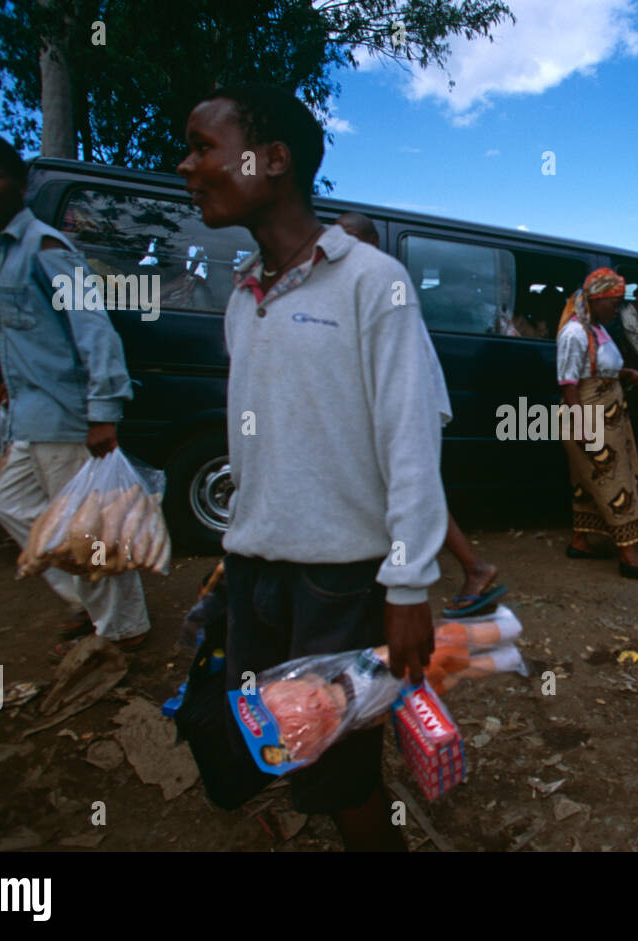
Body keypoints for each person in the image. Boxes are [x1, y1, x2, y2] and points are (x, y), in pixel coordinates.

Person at [178, 84, 448, 851]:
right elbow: (264, 447)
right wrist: (235, 555)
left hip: (336, 581)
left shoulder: (372, 284)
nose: (187, 164)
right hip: (255, 570)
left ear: (274, 158)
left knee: (339, 771)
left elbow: (410, 444)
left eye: (203, 146)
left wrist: (407, 586)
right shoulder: (242, 297)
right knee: (282, 738)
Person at [0, 127, 151, 657]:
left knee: (90, 530)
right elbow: (28, 333)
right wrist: (9, 380)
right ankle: (89, 603)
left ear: (18, 182)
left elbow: (94, 328)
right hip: (27, 413)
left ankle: (124, 628)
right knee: (12, 505)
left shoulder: (45, 248)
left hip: (66, 415)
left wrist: (104, 411)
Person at [335, 212, 505, 618]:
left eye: (347, 241)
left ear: (368, 243)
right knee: (402, 489)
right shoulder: (363, 284)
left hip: (412, 403)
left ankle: (471, 569)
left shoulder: (381, 283)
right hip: (397, 403)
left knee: (415, 489)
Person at [557, 268, 638, 577]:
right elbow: (569, 384)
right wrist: (581, 426)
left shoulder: (596, 328)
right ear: (597, 299)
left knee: (588, 482)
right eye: (614, 303)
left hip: (610, 414)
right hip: (589, 413)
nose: (617, 310)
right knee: (612, 480)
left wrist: (630, 374)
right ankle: (628, 555)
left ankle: (580, 541)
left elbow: (601, 368)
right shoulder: (574, 332)